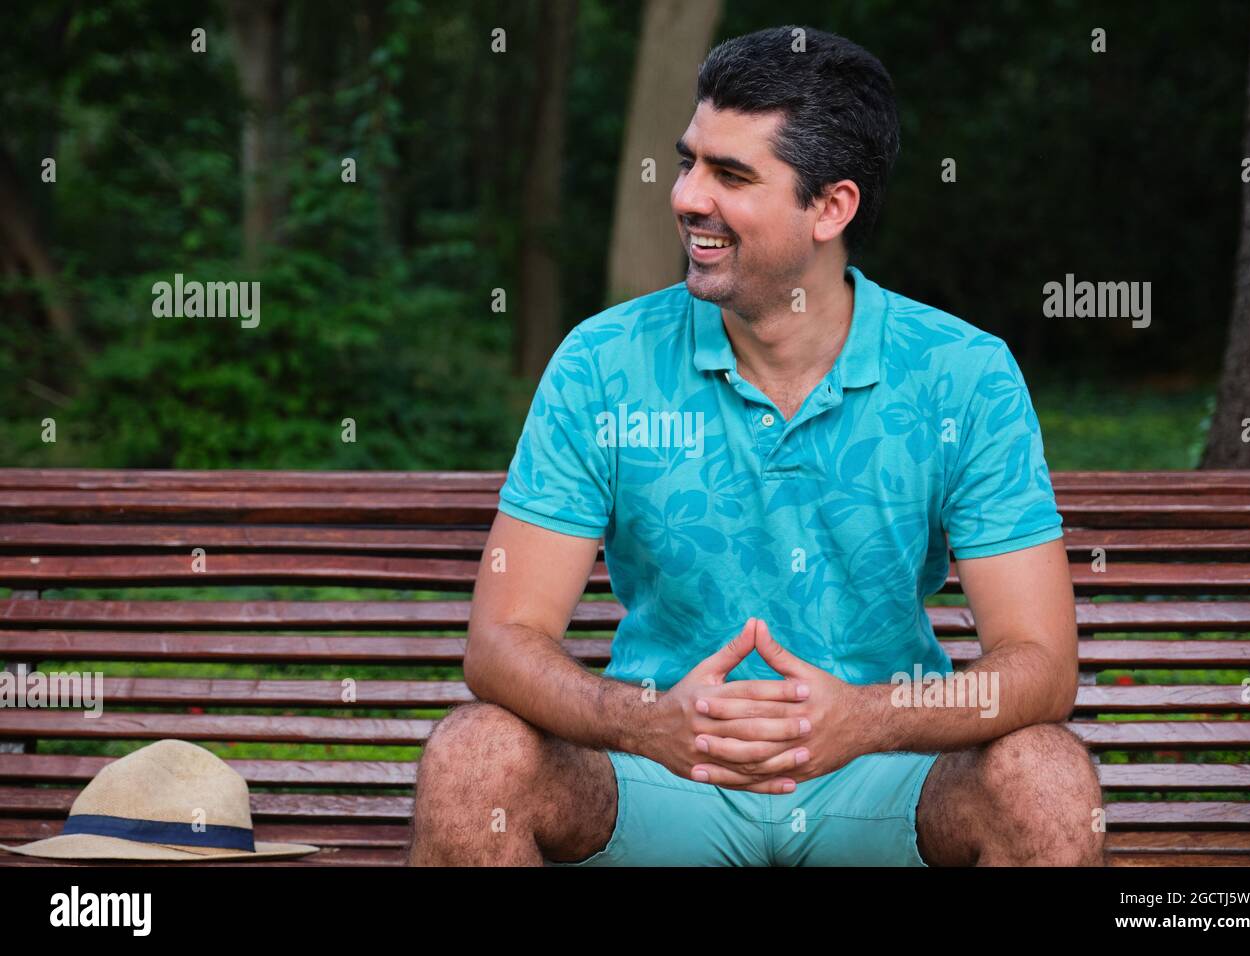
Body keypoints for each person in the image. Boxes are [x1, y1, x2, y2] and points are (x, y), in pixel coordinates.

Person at [408, 25, 1103, 867]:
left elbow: (1041, 665)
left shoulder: (962, 373)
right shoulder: (604, 362)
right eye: (691, 160)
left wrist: (864, 718)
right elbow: (501, 639)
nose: (688, 196)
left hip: (884, 781)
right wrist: (647, 721)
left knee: (1047, 777)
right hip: (658, 777)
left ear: (831, 207)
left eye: (731, 175)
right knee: (473, 755)